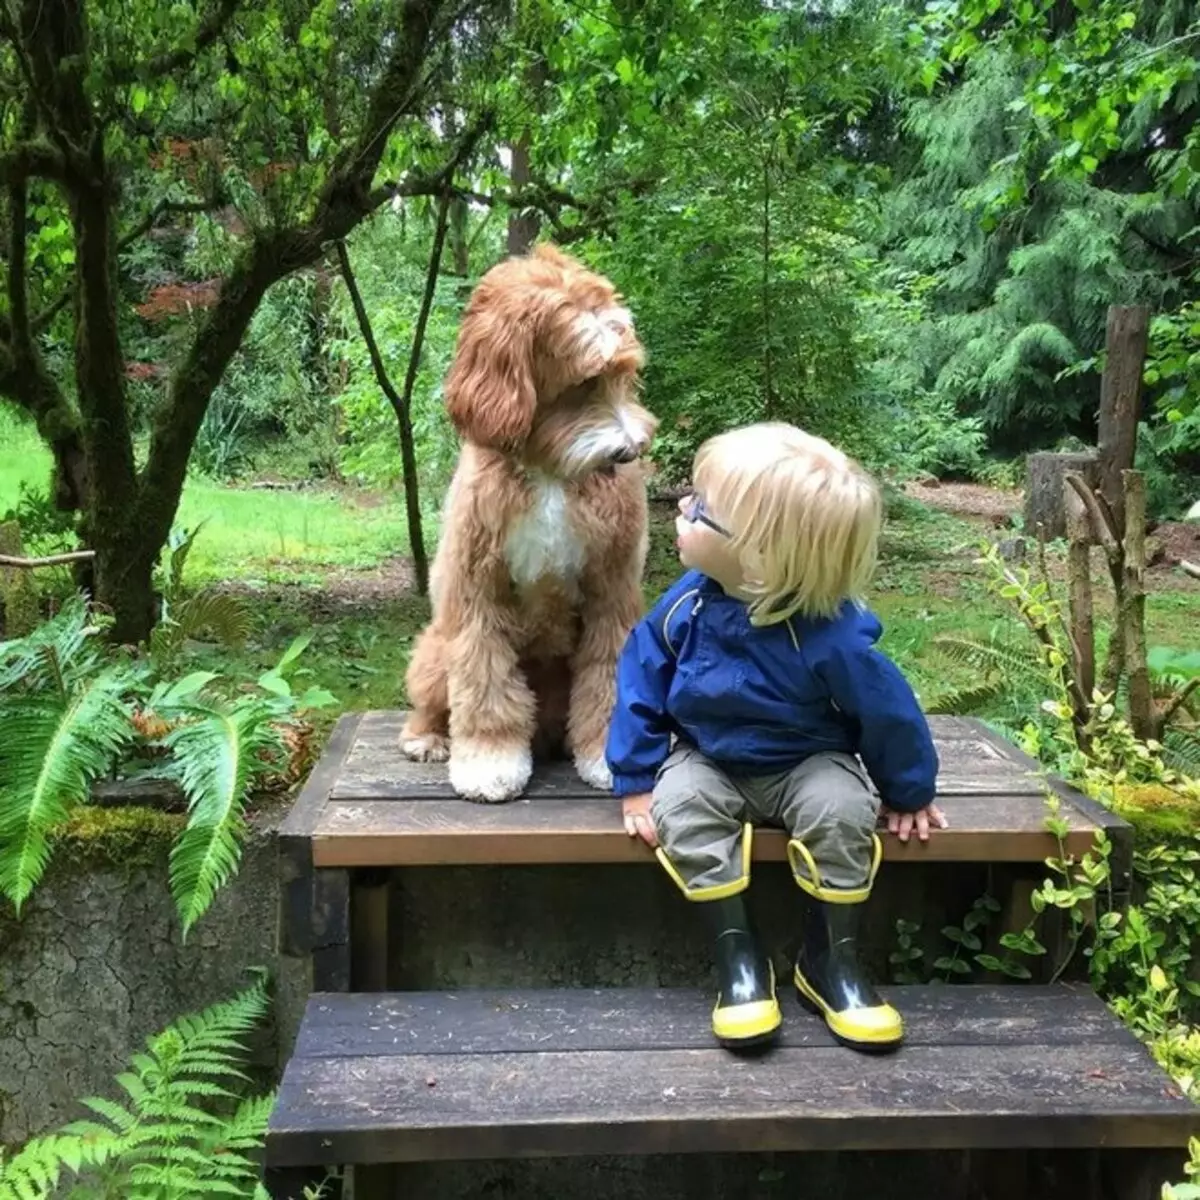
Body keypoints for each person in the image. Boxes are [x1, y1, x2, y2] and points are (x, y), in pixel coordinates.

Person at [604, 422, 945, 1053]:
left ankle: (830, 964)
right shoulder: (690, 605)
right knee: (680, 809)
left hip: (809, 758)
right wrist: (634, 779)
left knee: (843, 811)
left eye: (700, 509)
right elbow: (641, 678)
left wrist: (908, 790)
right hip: (707, 756)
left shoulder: (831, 635)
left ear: (759, 555)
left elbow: (887, 711)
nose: (681, 508)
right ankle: (740, 962)